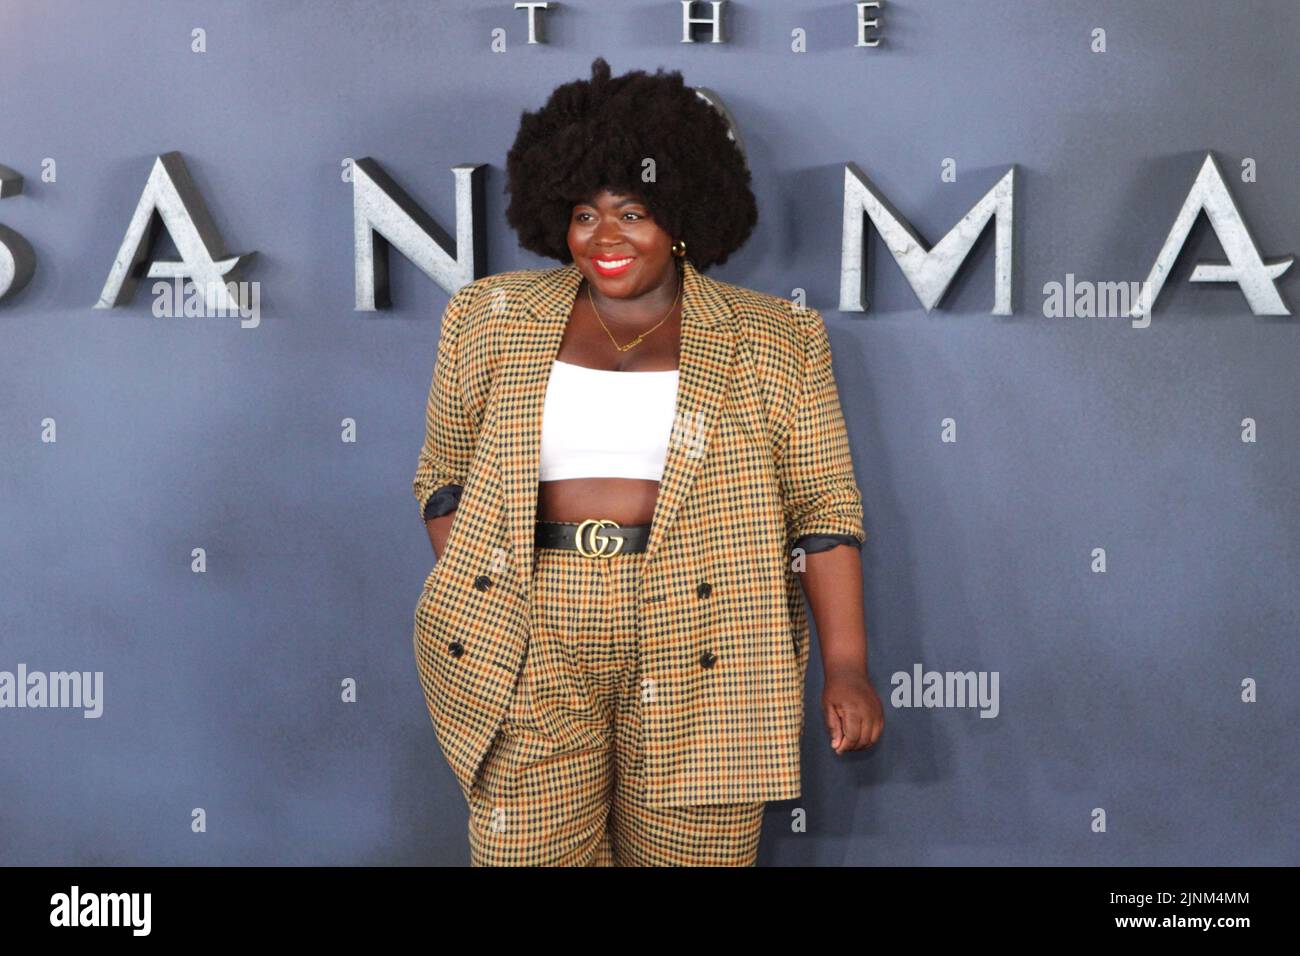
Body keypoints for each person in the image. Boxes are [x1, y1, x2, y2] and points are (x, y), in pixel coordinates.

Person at [412, 57, 883, 866]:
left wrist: (847, 665)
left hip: (711, 631)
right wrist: (490, 602)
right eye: (585, 213)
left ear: (682, 212)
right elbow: (444, 478)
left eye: (632, 211)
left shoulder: (778, 339)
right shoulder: (489, 318)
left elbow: (824, 515)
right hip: (534, 630)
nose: (606, 237)